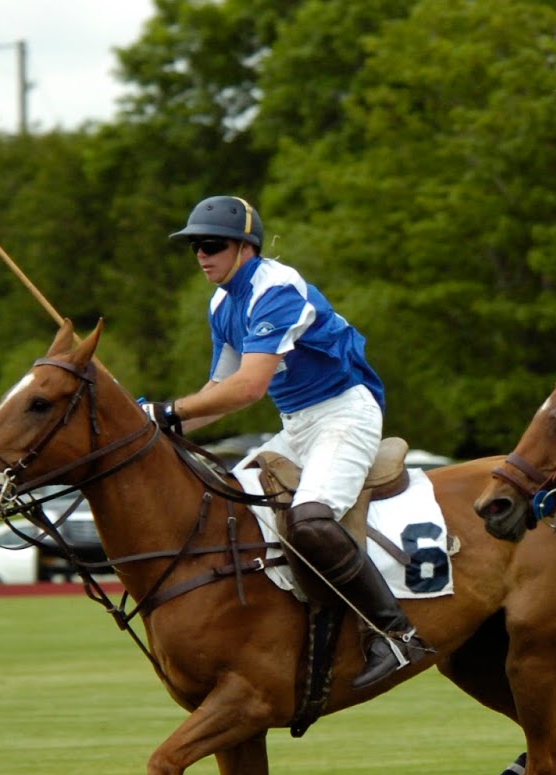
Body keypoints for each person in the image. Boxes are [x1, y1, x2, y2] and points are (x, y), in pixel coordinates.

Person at [145, 195, 433, 688]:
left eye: (211, 245)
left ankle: (397, 635)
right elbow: (220, 393)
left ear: (244, 247)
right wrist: (151, 428)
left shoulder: (275, 288)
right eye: (195, 246)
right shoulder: (222, 302)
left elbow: (250, 386)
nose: (201, 256)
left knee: (311, 520)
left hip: (345, 412)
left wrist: (169, 411)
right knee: (222, 508)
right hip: (298, 422)